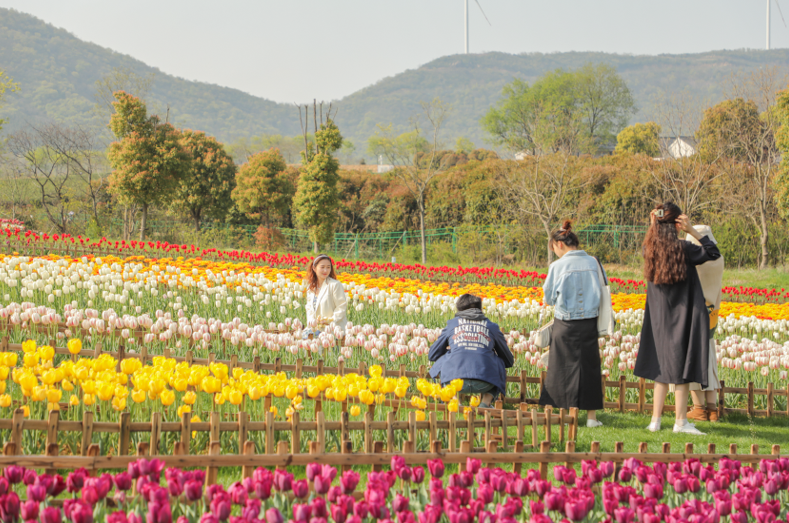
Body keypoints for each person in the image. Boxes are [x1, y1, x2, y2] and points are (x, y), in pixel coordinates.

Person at [634, 203, 721, 435]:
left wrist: (653, 225)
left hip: (659, 319)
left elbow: (647, 244)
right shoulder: (685, 249)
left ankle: (655, 421)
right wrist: (692, 230)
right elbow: (713, 253)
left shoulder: (650, 250)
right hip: (684, 316)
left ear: (657, 223)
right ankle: (680, 422)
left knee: (661, 371)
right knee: (682, 370)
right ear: (676, 224)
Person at [538, 220, 605, 427]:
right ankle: (591, 418)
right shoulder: (593, 262)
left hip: (565, 323)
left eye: (554, 249)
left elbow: (549, 298)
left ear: (559, 244)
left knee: (561, 369)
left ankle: (564, 415)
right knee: (590, 368)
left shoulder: (557, 266)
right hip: (589, 323)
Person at [428, 294, 514, 408]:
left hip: (454, 381)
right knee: (499, 361)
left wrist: (454, 351)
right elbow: (508, 360)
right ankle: (485, 403)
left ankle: (455, 401)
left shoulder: (452, 325)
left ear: (459, 309)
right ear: (480, 309)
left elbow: (432, 354)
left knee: (444, 357)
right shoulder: (491, 327)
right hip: (486, 383)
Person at [685, 225, 724, 422]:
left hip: (694, 313)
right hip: (712, 313)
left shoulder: (694, 260)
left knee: (692, 360)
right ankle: (712, 409)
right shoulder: (718, 259)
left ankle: (699, 408)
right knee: (709, 358)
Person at [304, 254, 348, 337]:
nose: (325, 270)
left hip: (333, 330)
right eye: (322, 267)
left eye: (328, 267)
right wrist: (312, 322)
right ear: (314, 268)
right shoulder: (311, 287)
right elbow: (309, 308)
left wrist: (329, 321)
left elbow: (341, 307)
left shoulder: (334, 285)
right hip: (315, 329)